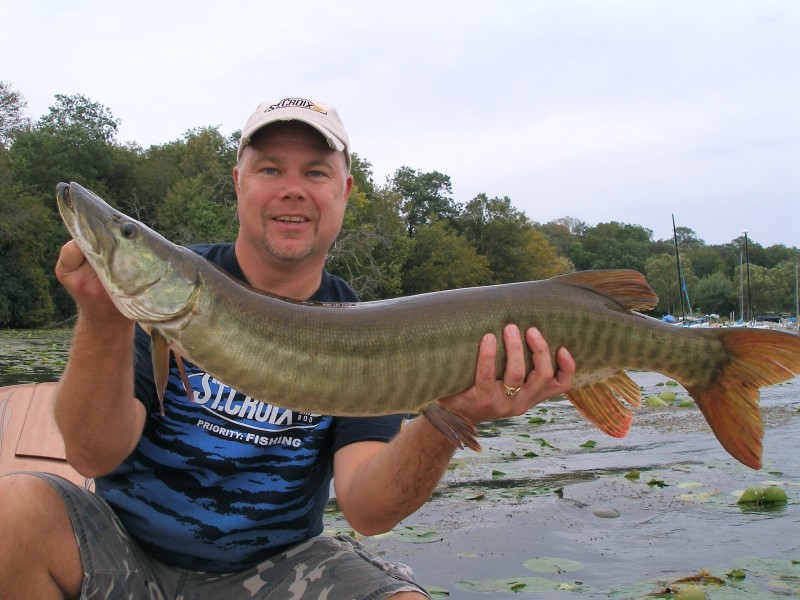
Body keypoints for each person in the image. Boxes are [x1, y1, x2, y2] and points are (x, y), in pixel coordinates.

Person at [0, 97, 575, 599]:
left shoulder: (369, 333)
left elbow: (367, 510)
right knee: (11, 515)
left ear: (344, 191)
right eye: (270, 168)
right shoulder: (166, 297)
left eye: (317, 172)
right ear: (239, 182)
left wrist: (453, 413)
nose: (292, 188)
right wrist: (103, 320)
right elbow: (93, 456)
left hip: (272, 573)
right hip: (123, 546)